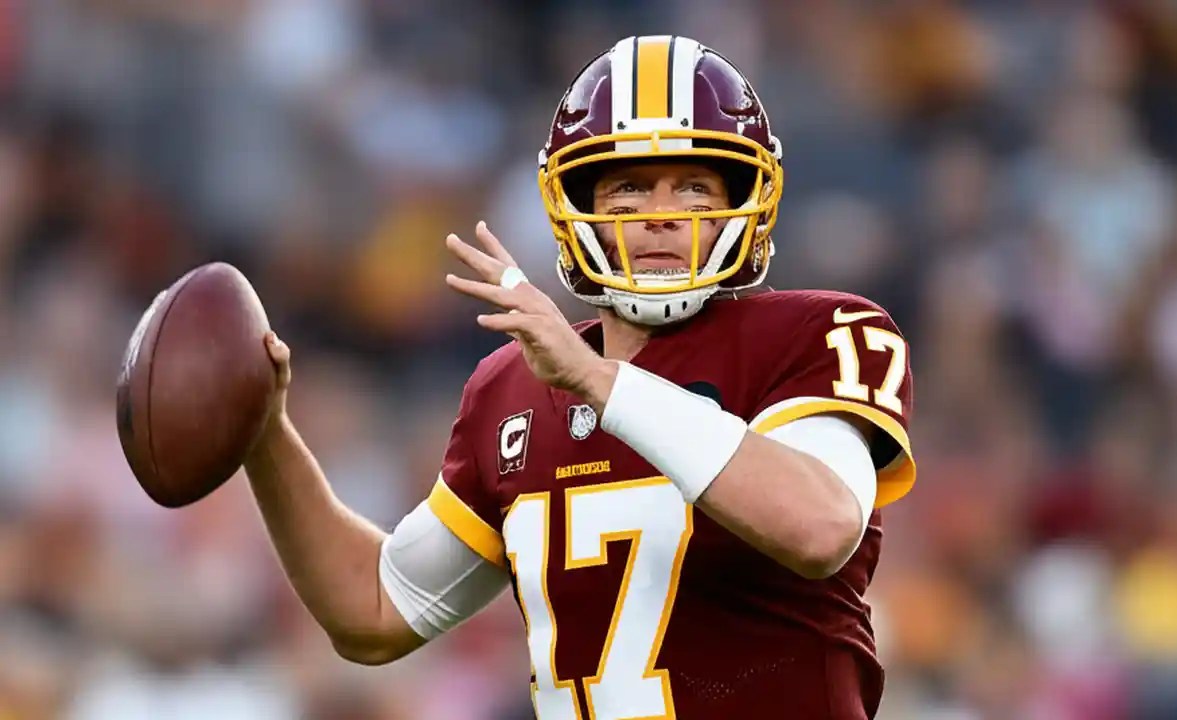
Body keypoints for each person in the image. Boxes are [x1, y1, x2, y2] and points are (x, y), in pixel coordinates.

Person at [244, 35, 917, 719]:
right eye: (630, 185)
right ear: (573, 202)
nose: (661, 214)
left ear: (747, 198)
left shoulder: (817, 334)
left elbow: (820, 526)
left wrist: (604, 383)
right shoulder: (512, 389)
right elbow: (377, 609)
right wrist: (265, 436)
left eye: (693, 186)